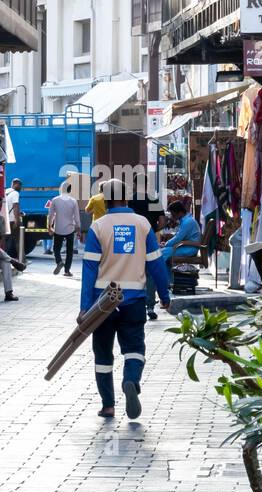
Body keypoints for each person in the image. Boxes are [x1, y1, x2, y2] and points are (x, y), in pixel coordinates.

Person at [81, 178, 172, 420]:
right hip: (133, 301)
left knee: (102, 354)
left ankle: (108, 405)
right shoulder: (142, 224)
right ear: (126, 198)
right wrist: (164, 295)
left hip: (103, 303)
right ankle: (130, 380)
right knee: (134, 348)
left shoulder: (98, 227)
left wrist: (84, 308)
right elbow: (155, 263)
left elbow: (89, 269)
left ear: (106, 199)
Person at [146, 199, 202, 319]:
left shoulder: (187, 222)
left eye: (173, 213)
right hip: (184, 246)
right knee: (162, 254)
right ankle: (166, 283)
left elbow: (178, 238)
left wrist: (165, 244)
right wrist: (166, 244)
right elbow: (178, 237)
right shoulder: (186, 221)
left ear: (178, 212)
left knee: (160, 255)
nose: (172, 216)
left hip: (189, 248)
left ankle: (159, 282)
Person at [49, 181, 81, 277]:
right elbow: (77, 217)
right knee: (69, 251)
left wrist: (49, 227)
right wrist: (78, 229)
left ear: (61, 189)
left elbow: (50, 215)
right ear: (70, 190)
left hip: (58, 229)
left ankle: (59, 261)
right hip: (70, 229)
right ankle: (67, 271)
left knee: (56, 248)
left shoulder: (55, 200)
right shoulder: (73, 201)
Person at [5, 179, 22, 259]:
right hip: (12, 220)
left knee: (6, 240)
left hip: (6, 219)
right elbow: (15, 206)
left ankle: (4, 257)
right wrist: (17, 219)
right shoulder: (15, 193)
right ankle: (22, 259)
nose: (21, 187)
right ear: (15, 184)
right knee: (19, 240)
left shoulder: (6, 192)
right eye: (20, 185)